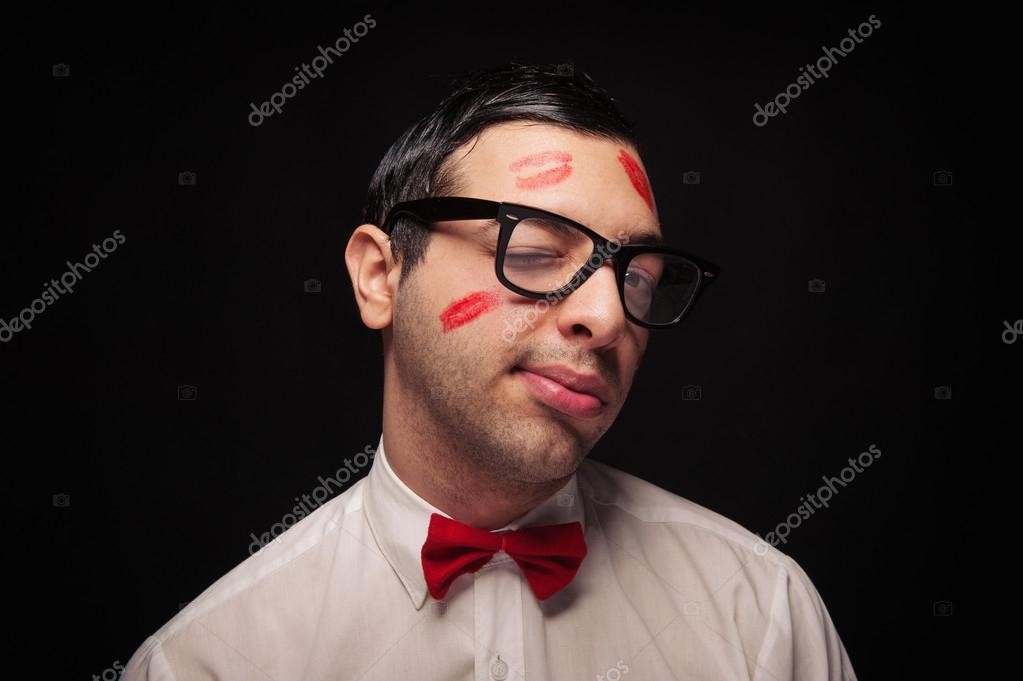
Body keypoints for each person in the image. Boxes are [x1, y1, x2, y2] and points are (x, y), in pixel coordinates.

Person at [124, 62, 857, 680]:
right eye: (536, 251)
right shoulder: (209, 662)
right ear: (380, 277)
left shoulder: (761, 614)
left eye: (638, 275)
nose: (606, 318)